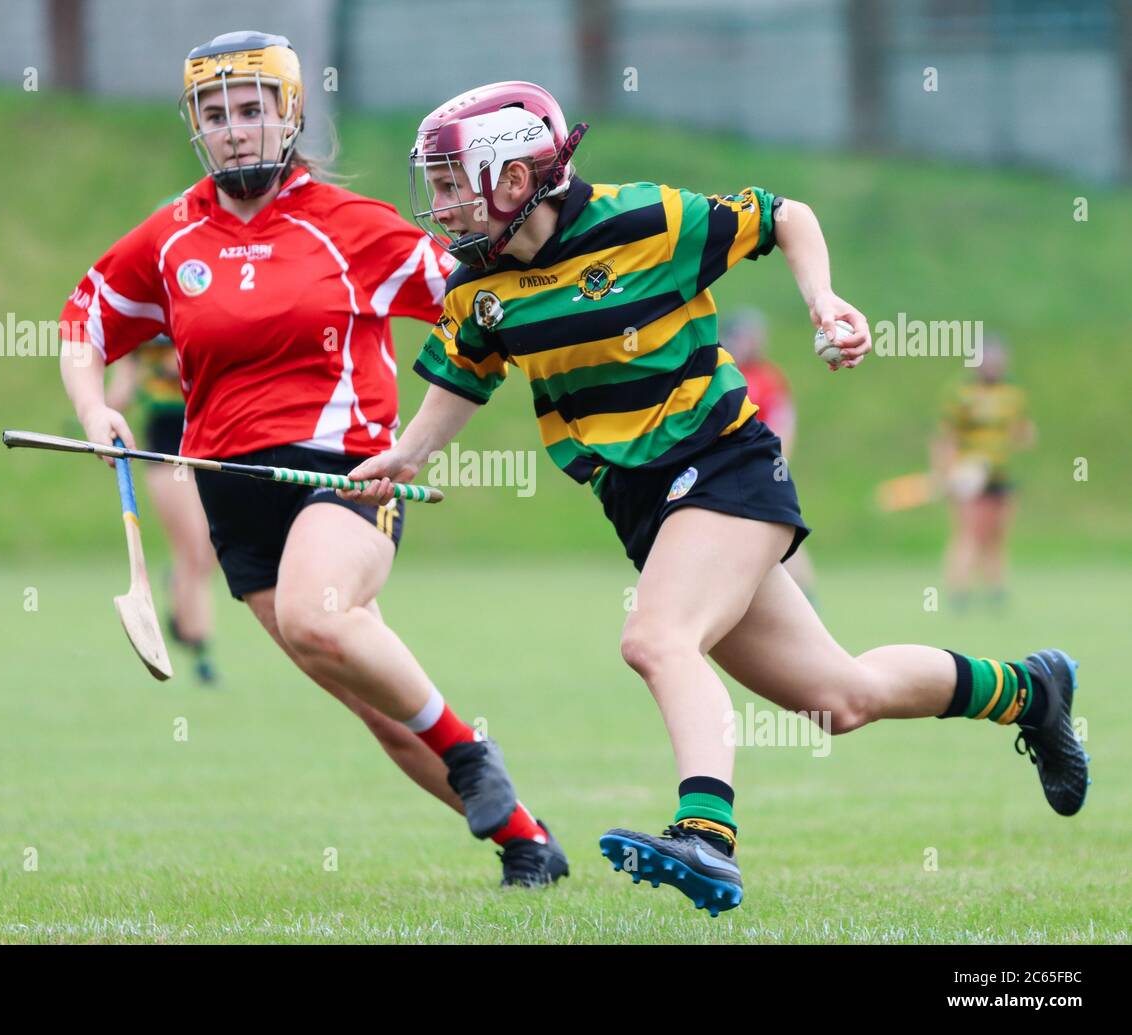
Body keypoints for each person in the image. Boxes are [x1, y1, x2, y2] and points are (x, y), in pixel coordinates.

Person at [343, 81, 1088, 915]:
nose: (437, 203)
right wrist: (404, 455)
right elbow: (463, 379)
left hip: (724, 462)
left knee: (658, 637)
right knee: (840, 698)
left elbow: (784, 214)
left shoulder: (647, 221)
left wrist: (823, 302)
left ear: (514, 180)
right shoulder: (476, 281)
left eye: (451, 182)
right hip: (639, 502)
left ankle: (706, 835)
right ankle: (1030, 690)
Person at [57, 35, 568, 887]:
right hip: (234, 498)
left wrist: (568, 329)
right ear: (196, 127)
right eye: (215, 115)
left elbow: (478, 301)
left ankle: (472, 758)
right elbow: (84, 318)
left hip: (343, 476)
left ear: (288, 113)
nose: (234, 131)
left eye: (251, 109)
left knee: (318, 615)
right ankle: (527, 842)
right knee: (377, 709)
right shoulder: (173, 235)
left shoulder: (350, 227)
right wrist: (92, 407)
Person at [105, 334, 219, 683]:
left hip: (213, 443)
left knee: (211, 550)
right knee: (194, 552)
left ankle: (177, 586)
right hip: (166, 445)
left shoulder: (202, 317)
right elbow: (120, 390)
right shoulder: (141, 330)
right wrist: (107, 413)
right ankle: (201, 654)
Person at [722, 309, 817, 604]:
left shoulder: (767, 378)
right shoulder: (718, 373)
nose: (755, 343)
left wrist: (779, 458)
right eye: (748, 336)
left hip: (762, 464)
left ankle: (807, 598)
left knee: (780, 529)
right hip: (725, 467)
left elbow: (784, 420)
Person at [933, 337, 1035, 610]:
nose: (992, 365)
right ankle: (959, 592)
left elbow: (1021, 432)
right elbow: (947, 437)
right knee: (968, 534)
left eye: (997, 360)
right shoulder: (961, 393)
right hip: (969, 478)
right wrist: (948, 472)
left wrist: (1024, 435)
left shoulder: (1012, 395)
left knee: (997, 536)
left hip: (1000, 476)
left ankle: (995, 591)